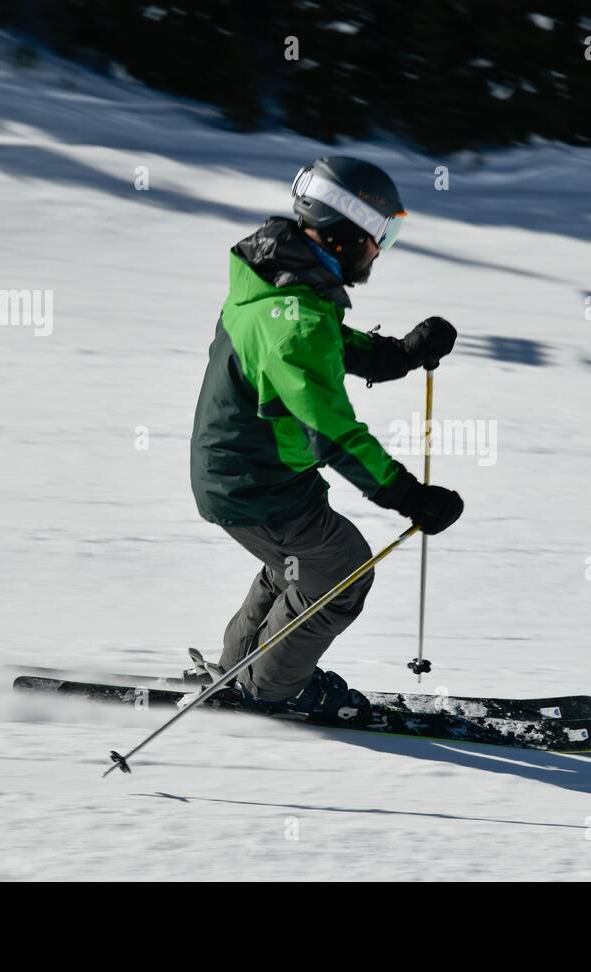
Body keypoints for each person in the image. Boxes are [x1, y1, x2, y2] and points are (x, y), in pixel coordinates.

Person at [190, 156, 464, 715]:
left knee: (295, 564)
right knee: (342, 568)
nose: (381, 249)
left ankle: (241, 666)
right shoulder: (296, 320)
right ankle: (270, 688)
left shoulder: (275, 283)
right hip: (255, 482)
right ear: (343, 236)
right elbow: (332, 431)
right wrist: (408, 496)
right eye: (380, 234)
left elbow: (326, 348)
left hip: (249, 472)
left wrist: (401, 354)